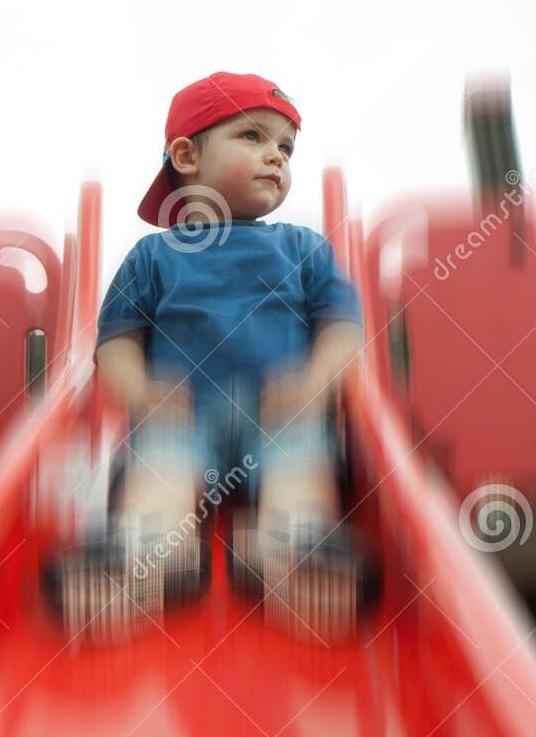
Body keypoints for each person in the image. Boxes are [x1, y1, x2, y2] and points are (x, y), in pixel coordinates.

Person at [47, 72, 367, 639]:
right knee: (159, 476)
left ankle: (288, 549)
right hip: (181, 415)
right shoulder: (152, 256)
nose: (275, 157)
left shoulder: (303, 247)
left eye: (286, 148)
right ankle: (147, 558)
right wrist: (140, 390)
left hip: (282, 411)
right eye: (253, 137)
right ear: (187, 155)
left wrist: (318, 381)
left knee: (301, 472)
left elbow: (341, 327)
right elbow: (117, 342)